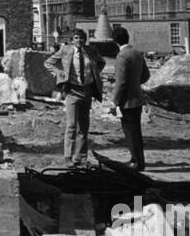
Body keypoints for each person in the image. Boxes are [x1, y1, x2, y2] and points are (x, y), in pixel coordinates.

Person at [44, 28, 102, 164]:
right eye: (76, 38)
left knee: (83, 126)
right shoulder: (65, 50)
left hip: (86, 91)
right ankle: (68, 157)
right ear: (72, 40)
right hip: (72, 92)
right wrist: (59, 74)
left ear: (85, 39)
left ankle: (80, 157)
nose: (79, 40)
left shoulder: (91, 51)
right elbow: (48, 63)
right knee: (71, 125)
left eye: (82, 38)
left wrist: (95, 75)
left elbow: (101, 63)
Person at [111, 25, 150, 171]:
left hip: (126, 101)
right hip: (137, 98)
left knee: (130, 132)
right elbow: (146, 76)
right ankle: (139, 160)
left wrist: (114, 103)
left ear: (115, 41)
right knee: (136, 131)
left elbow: (120, 82)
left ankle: (136, 162)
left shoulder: (122, 56)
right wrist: (135, 83)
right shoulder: (137, 53)